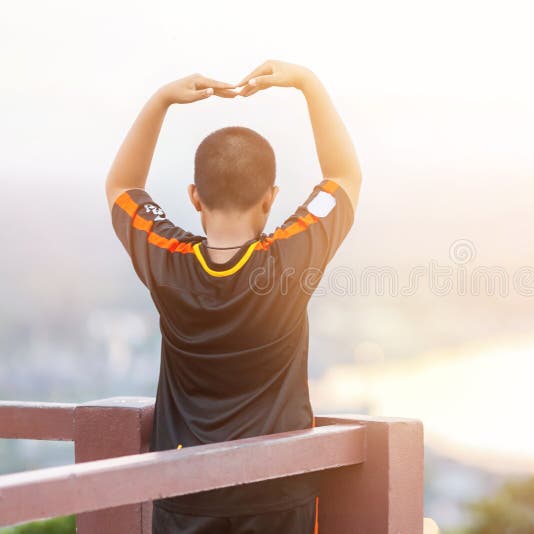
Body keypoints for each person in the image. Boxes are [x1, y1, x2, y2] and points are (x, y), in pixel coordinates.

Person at [105, 59, 361, 534]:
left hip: (187, 490)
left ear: (195, 196)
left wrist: (161, 99)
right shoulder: (289, 259)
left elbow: (122, 188)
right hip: (277, 493)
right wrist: (308, 83)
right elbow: (344, 178)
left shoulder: (169, 259)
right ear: (270, 197)